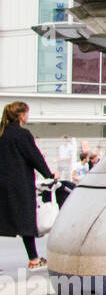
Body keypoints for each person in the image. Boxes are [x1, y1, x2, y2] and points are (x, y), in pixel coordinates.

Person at [0, 101, 58, 270]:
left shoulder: (2, 133)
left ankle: (33, 258)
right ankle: (33, 259)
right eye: (26, 113)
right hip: (19, 184)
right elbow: (35, 157)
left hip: (2, 184)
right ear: (21, 115)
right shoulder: (22, 134)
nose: (27, 116)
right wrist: (49, 175)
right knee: (26, 221)